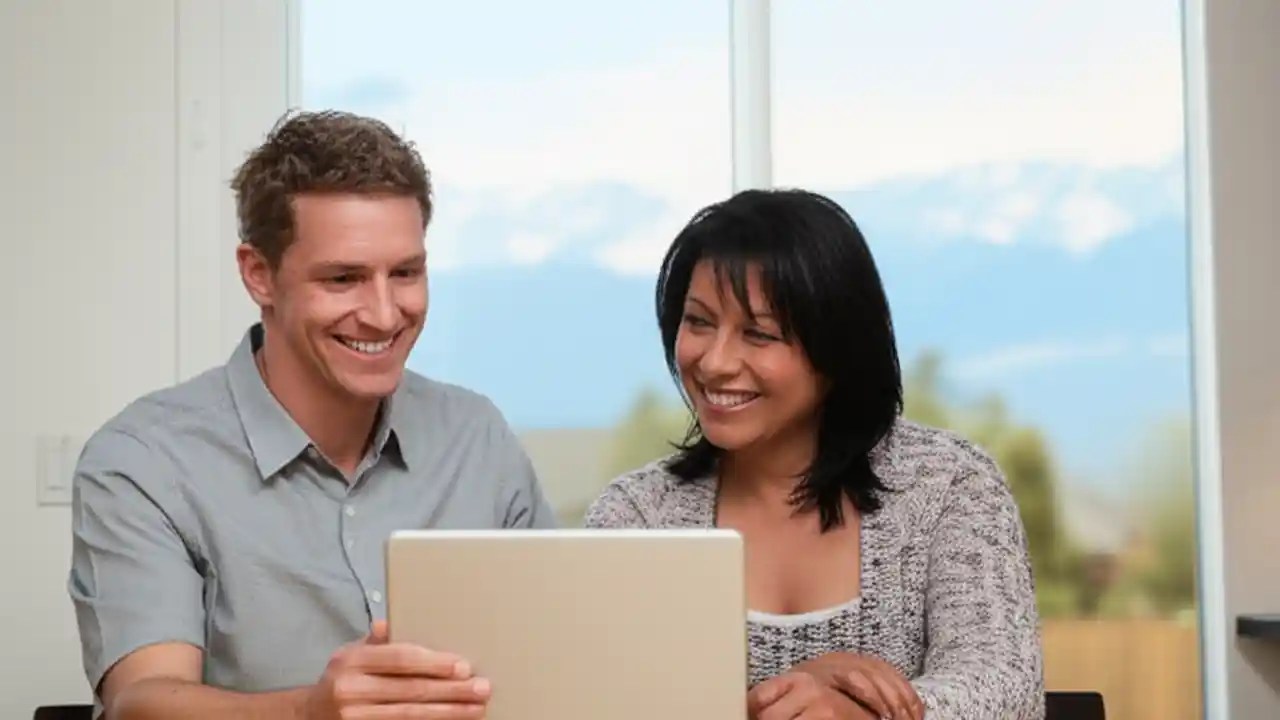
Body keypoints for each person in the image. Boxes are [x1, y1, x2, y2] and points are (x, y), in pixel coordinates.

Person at [67, 110, 556, 719]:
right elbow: (142, 702)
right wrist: (309, 713)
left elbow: (559, 652)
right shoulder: (142, 463)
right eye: (344, 278)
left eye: (406, 273)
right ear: (259, 275)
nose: (384, 314)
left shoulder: (476, 437)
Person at [584, 188, 1045, 720]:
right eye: (699, 322)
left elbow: (1008, 691)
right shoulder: (635, 518)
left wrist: (859, 715)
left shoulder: (946, 485)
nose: (714, 362)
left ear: (837, 348)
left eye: (759, 333)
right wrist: (783, 699)